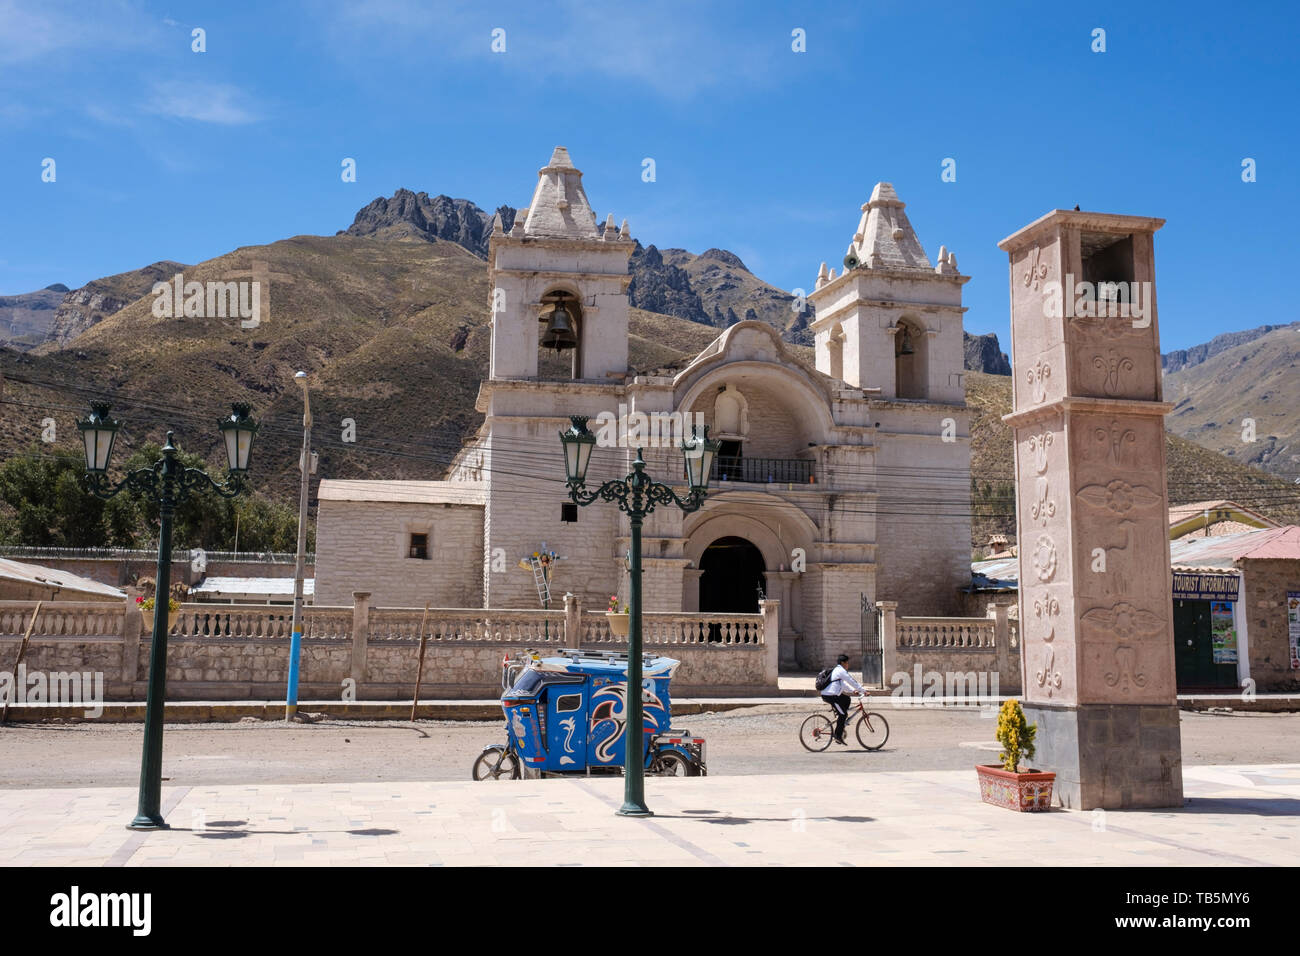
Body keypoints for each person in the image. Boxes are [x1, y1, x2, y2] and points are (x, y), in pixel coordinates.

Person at [821, 654, 865, 745]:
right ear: (843, 663)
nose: (848, 665)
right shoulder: (841, 671)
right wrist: (864, 691)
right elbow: (851, 681)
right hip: (831, 696)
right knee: (843, 715)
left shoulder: (837, 670)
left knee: (847, 699)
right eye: (847, 663)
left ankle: (840, 717)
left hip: (831, 694)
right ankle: (837, 735)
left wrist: (854, 691)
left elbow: (843, 684)